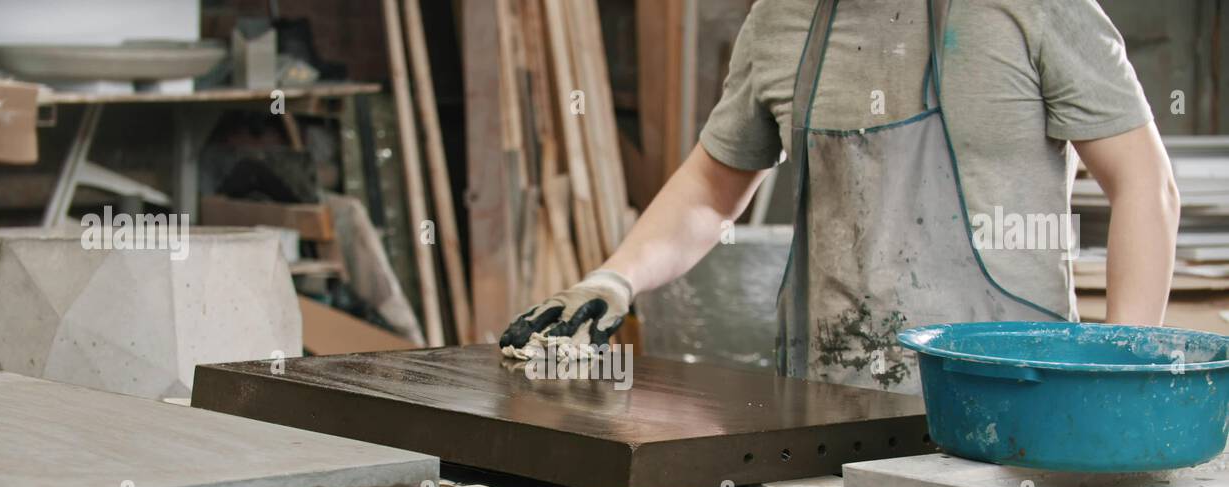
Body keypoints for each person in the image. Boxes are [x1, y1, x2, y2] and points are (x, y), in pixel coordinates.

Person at [498, 0, 1179, 393]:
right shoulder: (781, 20)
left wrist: (1119, 366)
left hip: (1015, 417)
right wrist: (615, 279)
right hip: (829, 417)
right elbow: (713, 184)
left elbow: (1144, 184)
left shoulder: (1032, 7)